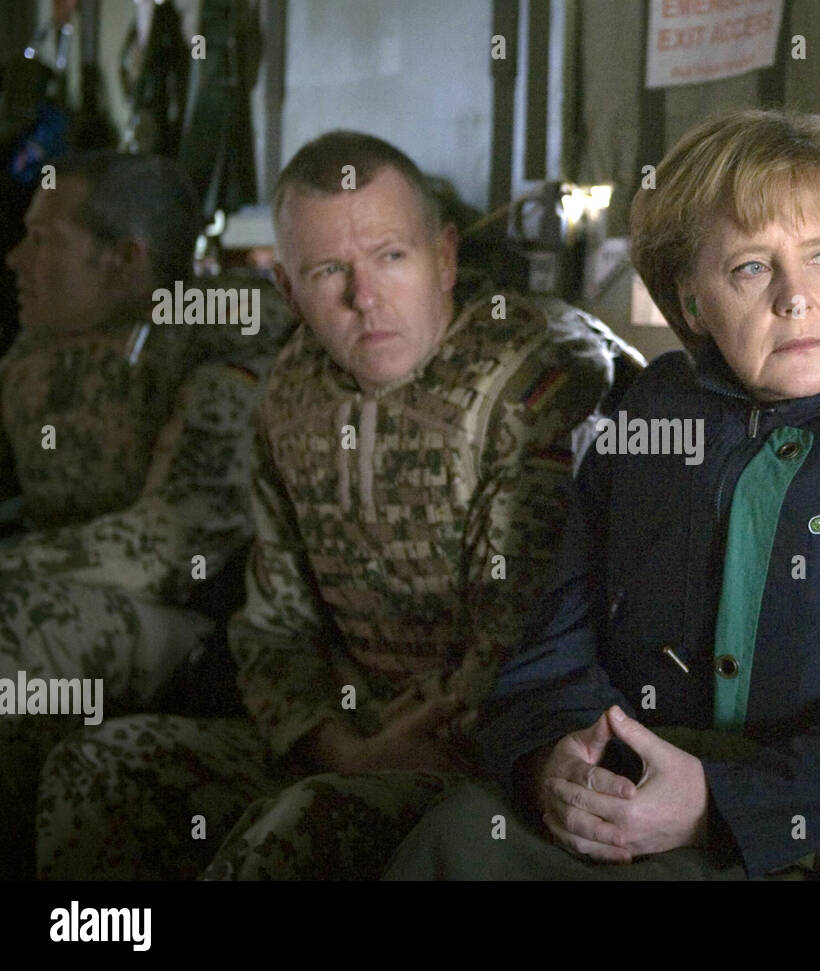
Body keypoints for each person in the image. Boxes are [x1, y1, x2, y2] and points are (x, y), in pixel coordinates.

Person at [384, 109, 820, 881]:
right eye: (750, 267)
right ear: (691, 296)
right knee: (455, 837)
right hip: (632, 794)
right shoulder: (650, 411)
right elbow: (550, 653)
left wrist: (718, 800)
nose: (794, 298)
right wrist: (556, 766)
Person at [35, 130, 637, 880]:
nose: (365, 297)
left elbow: (518, 644)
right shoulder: (289, 395)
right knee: (99, 770)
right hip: (341, 736)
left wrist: (374, 757)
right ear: (288, 291)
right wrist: (334, 742)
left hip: (498, 761)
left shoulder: (537, 378)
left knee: (291, 832)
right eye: (328, 271)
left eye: (392, 256)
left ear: (445, 257)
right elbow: (272, 624)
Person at [0, 150, 288, 878]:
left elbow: (165, 546)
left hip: (200, 627)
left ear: (125, 260)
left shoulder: (227, 354)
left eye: (44, 241)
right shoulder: (49, 351)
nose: (14, 258)